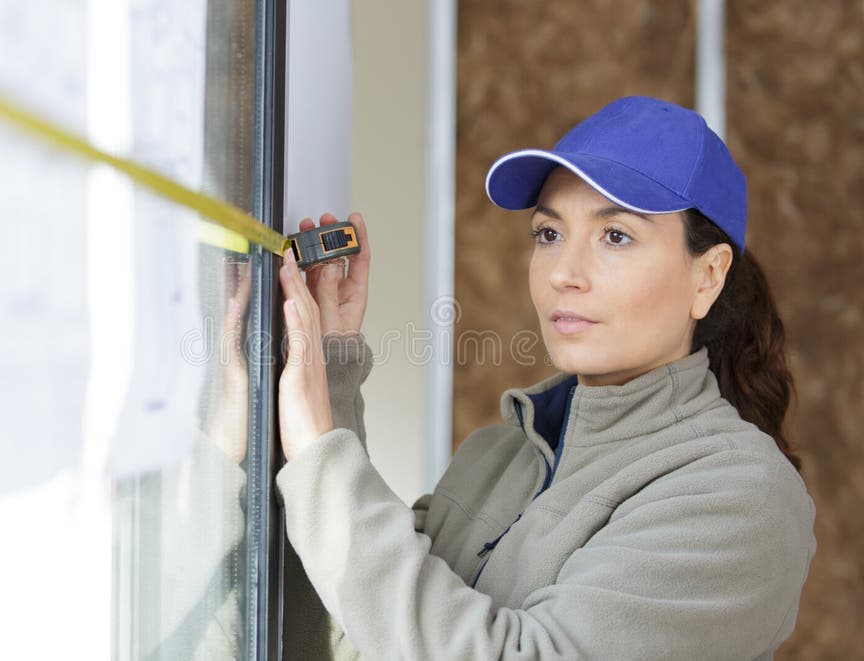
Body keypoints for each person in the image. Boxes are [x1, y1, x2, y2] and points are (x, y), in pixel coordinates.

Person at [276, 96, 816, 660]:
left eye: (616, 236)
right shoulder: (497, 454)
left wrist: (323, 454)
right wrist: (327, 375)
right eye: (549, 234)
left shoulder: (743, 495)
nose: (563, 273)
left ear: (708, 276)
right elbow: (366, 627)